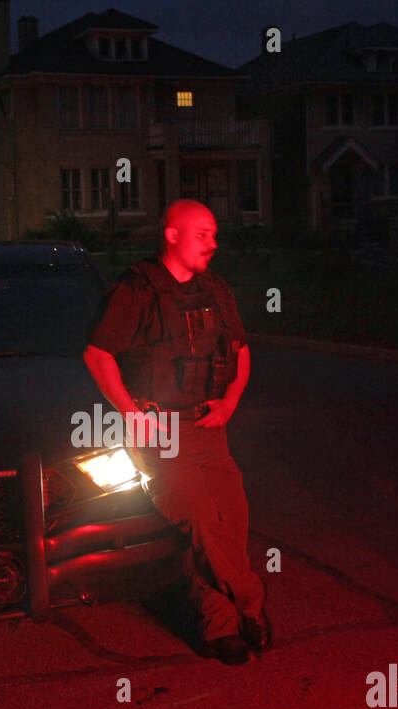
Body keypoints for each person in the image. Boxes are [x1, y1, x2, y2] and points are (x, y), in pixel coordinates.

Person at [84, 199, 269, 666]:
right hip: (163, 434)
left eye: (213, 233)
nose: (214, 242)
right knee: (203, 524)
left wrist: (229, 403)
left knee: (232, 518)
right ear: (171, 235)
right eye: (203, 233)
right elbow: (97, 354)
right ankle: (245, 609)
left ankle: (226, 622)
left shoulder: (216, 290)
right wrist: (130, 413)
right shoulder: (136, 290)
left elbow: (241, 351)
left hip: (210, 430)